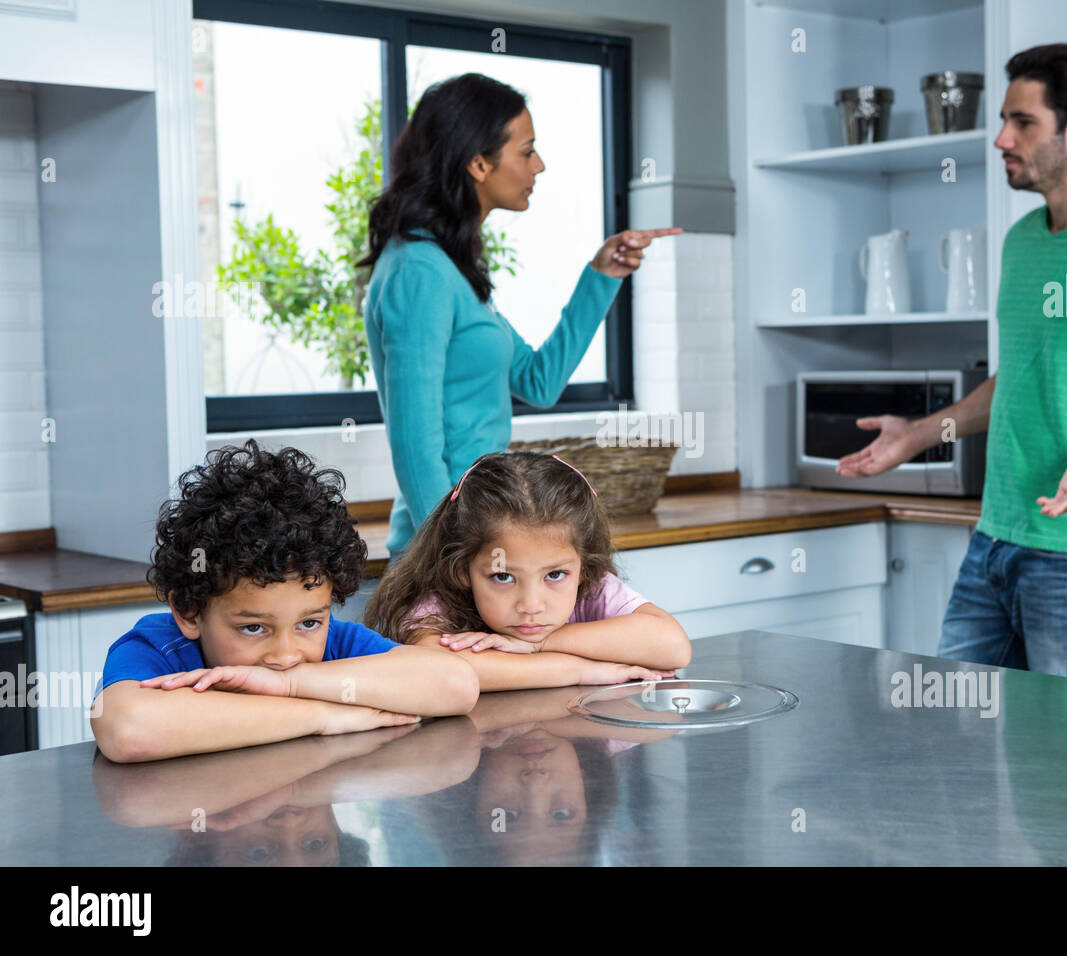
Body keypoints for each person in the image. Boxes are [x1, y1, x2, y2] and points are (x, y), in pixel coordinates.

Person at [837, 44, 1067, 682]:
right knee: (956, 735)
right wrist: (921, 433)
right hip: (996, 536)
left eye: (1022, 121)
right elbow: (1019, 380)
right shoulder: (1022, 240)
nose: (1000, 139)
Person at [357, 72, 681, 556]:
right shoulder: (418, 271)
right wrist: (450, 564)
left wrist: (602, 275)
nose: (540, 165)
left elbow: (539, 382)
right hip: (447, 554)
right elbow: (415, 444)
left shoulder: (450, 269)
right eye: (527, 151)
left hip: (484, 541)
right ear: (479, 163)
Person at [90, 440, 479, 763]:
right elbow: (129, 731)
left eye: (309, 622)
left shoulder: (337, 645)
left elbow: (456, 684)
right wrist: (323, 715)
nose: (285, 654)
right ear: (189, 612)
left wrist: (291, 685)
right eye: (253, 627)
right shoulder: (160, 647)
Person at [364, 451, 692, 690]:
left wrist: (540, 644)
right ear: (462, 569)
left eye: (554, 575)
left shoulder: (589, 585)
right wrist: (579, 670)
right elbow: (440, 670)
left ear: (583, 565)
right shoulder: (435, 604)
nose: (531, 604)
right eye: (503, 576)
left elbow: (673, 647)